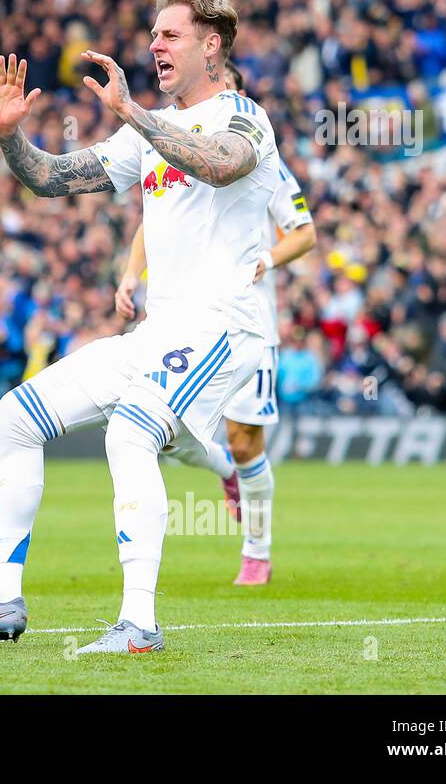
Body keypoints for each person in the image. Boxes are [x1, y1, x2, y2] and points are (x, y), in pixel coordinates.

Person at [0, 0, 279, 654]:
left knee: (131, 433)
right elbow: (52, 177)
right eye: (154, 34)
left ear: (211, 44)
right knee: (12, 418)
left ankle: (138, 624)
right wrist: (9, 136)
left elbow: (222, 165)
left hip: (224, 328)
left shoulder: (246, 118)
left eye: (170, 35)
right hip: (160, 331)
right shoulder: (142, 133)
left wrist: (134, 112)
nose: (154, 45)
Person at [115, 61, 316, 585]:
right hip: (180, 320)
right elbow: (149, 221)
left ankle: (258, 549)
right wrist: (130, 277)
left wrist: (267, 261)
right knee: (163, 430)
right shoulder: (175, 149)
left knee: (247, 440)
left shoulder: (260, 157)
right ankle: (224, 472)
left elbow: (304, 232)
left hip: (244, 323)